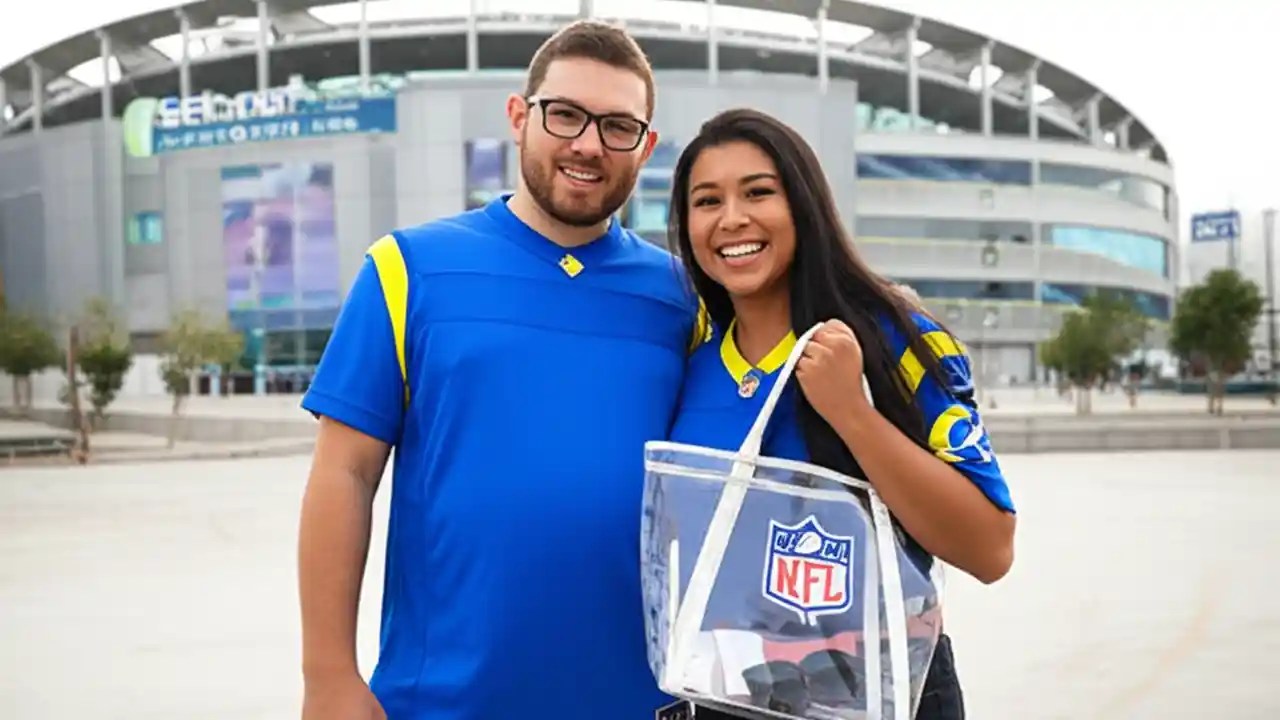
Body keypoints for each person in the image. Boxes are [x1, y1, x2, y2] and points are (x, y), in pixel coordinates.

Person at [296, 20, 705, 720]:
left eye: (617, 126)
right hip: (445, 701)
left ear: (646, 147)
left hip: (642, 703)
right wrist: (328, 674)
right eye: (566, 114)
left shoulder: (686, 298)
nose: (587, 144)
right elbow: (345, 474)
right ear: (520, 117)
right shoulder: (406, 270)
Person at [662, 108, 1017, 719]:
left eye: (758, 192)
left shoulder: (895, 340)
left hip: (875, 690)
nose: (732, 219)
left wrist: (853, 414)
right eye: (707, 201)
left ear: (804, 204)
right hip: (725, 694)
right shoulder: (688, 357)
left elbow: (990, 549)